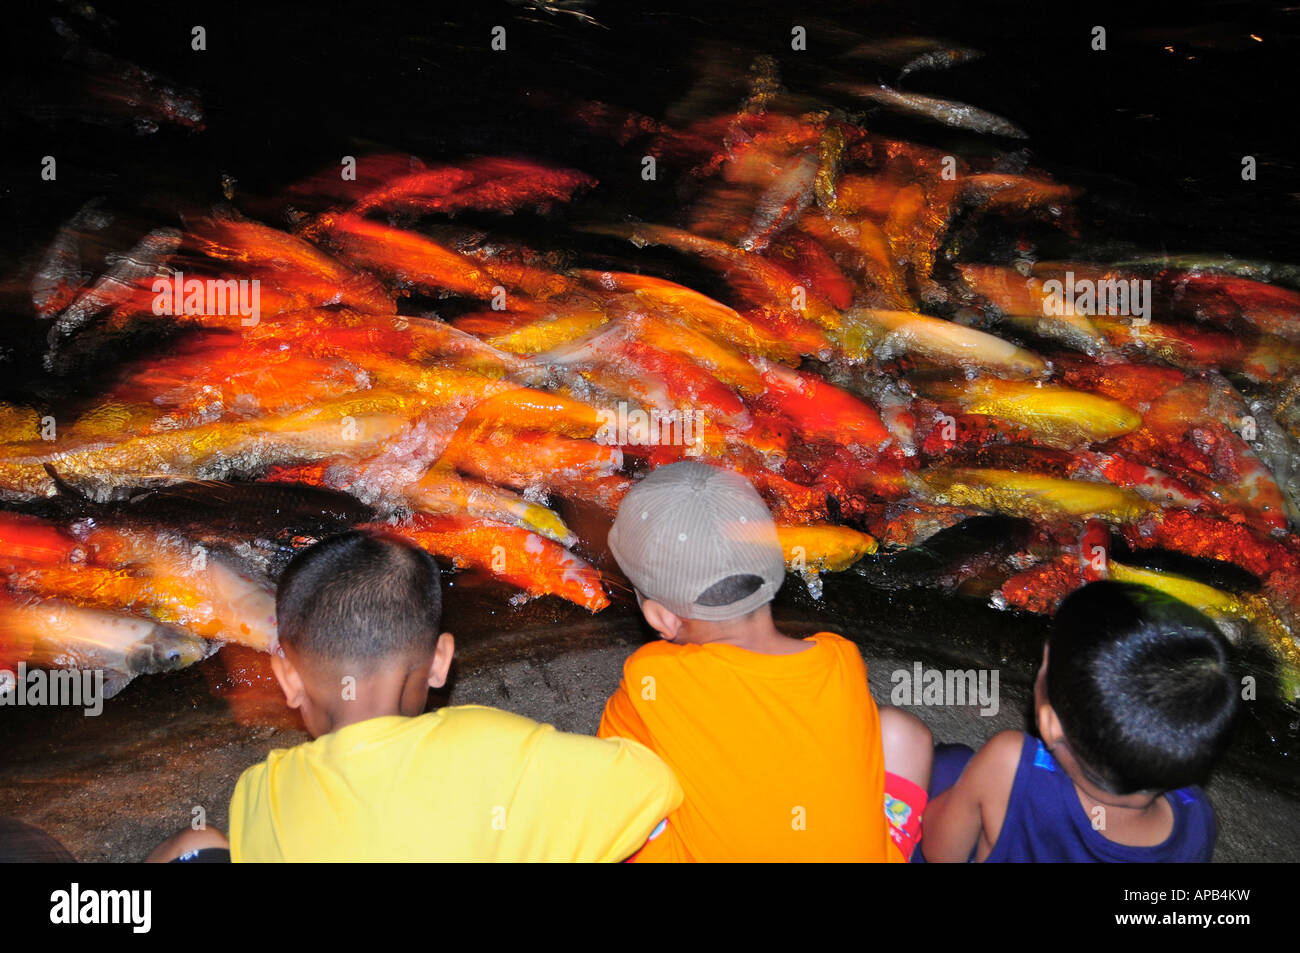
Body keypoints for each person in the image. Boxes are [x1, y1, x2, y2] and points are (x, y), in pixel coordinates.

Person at [150, 530, 681, 862]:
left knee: (197, 847)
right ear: (441, 661)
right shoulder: (497, 748)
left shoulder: (259, 791)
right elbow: (653, 785)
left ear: (287, 676)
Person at [596, 460, 932, 862]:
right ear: (776, 571)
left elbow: (614, 792)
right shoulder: (840, 658)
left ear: (661, 617)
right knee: (900, 731)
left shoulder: (649, 677)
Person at [918, 580, 1236, 863]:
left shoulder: (1008, 762)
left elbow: (940, 852)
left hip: (979, 811)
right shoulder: (1198, 819)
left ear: (1051, 724)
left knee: (949, 761)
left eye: (1046, 660)